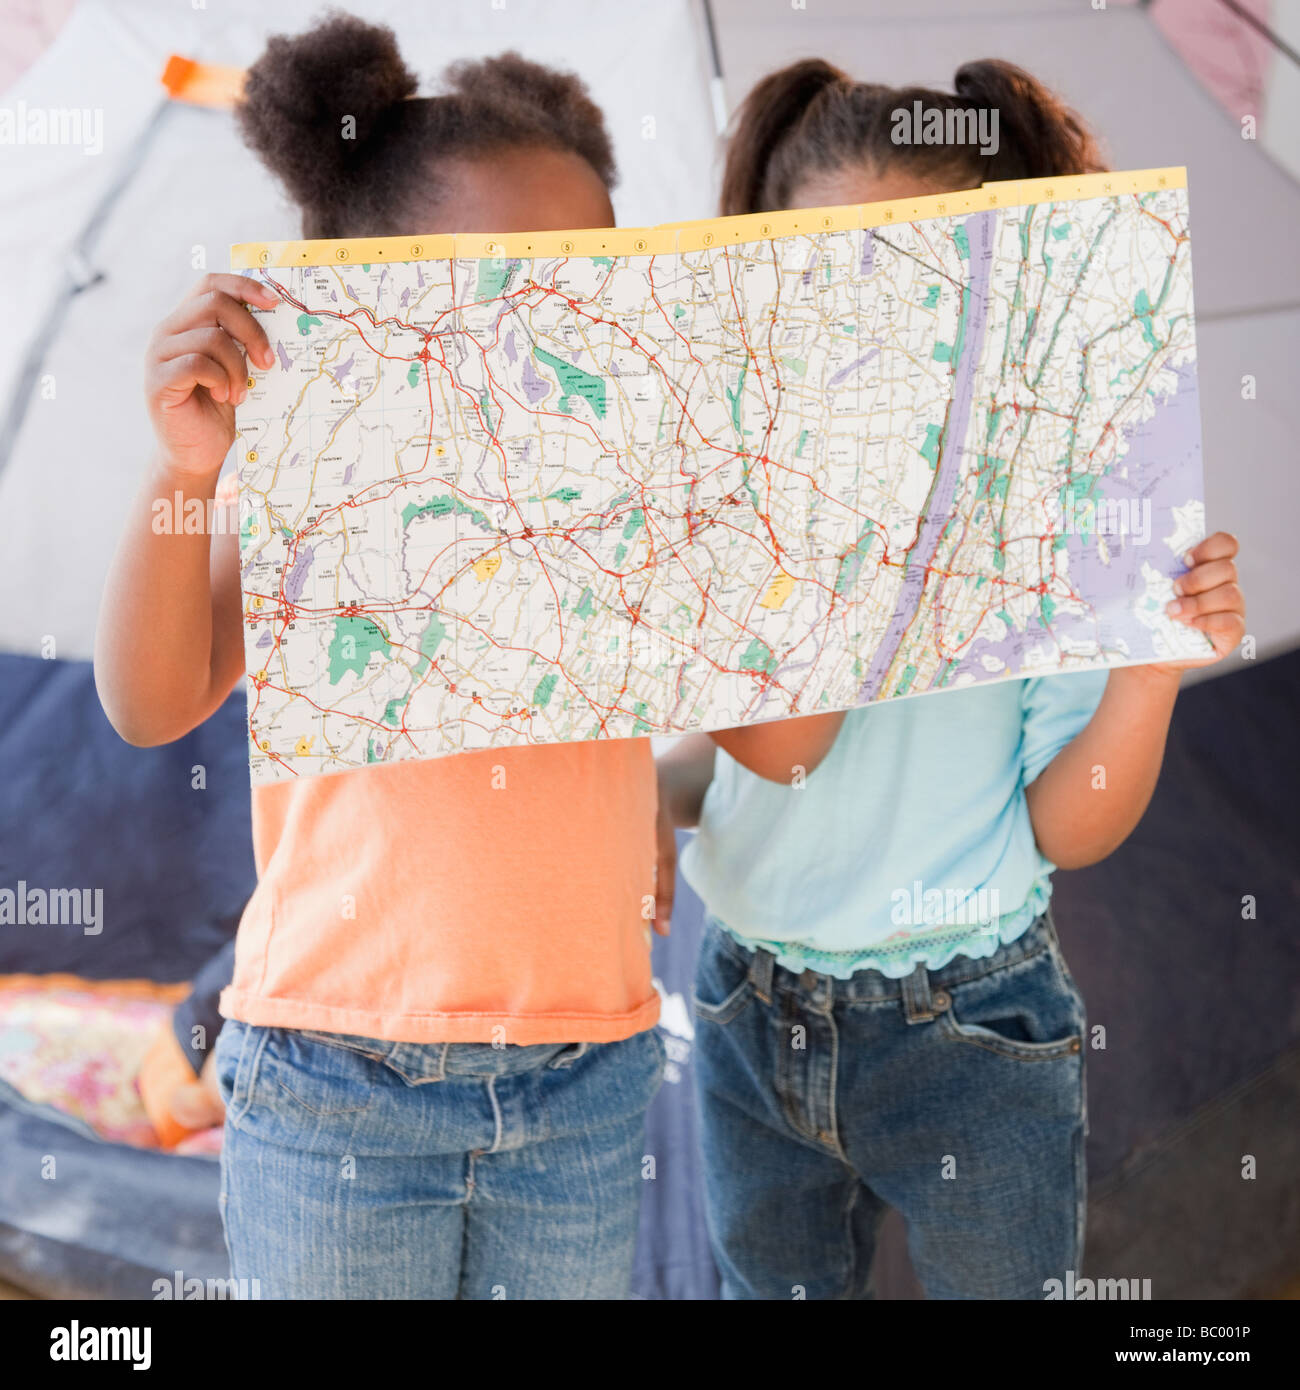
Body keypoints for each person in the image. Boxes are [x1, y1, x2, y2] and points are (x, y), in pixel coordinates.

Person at [95, 14, 669, 1300]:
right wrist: (184, 472)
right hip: (336, 1075)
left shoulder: (638, 491)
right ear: (371, 307)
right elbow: (146, 701)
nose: (549, 330)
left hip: (585, 1076)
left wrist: (651, 825)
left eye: (590, 280)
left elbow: (632, 732)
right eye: (498, 288)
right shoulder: (327, 500)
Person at [657, 57, 1247, 1299]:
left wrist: (1145, 669)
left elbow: (1065, 826)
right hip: (745, 1003)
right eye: (835, 287)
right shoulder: (731, 486)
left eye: (928, 288)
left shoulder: (1059, 507)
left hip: (974, 1024)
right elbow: (754, 756)